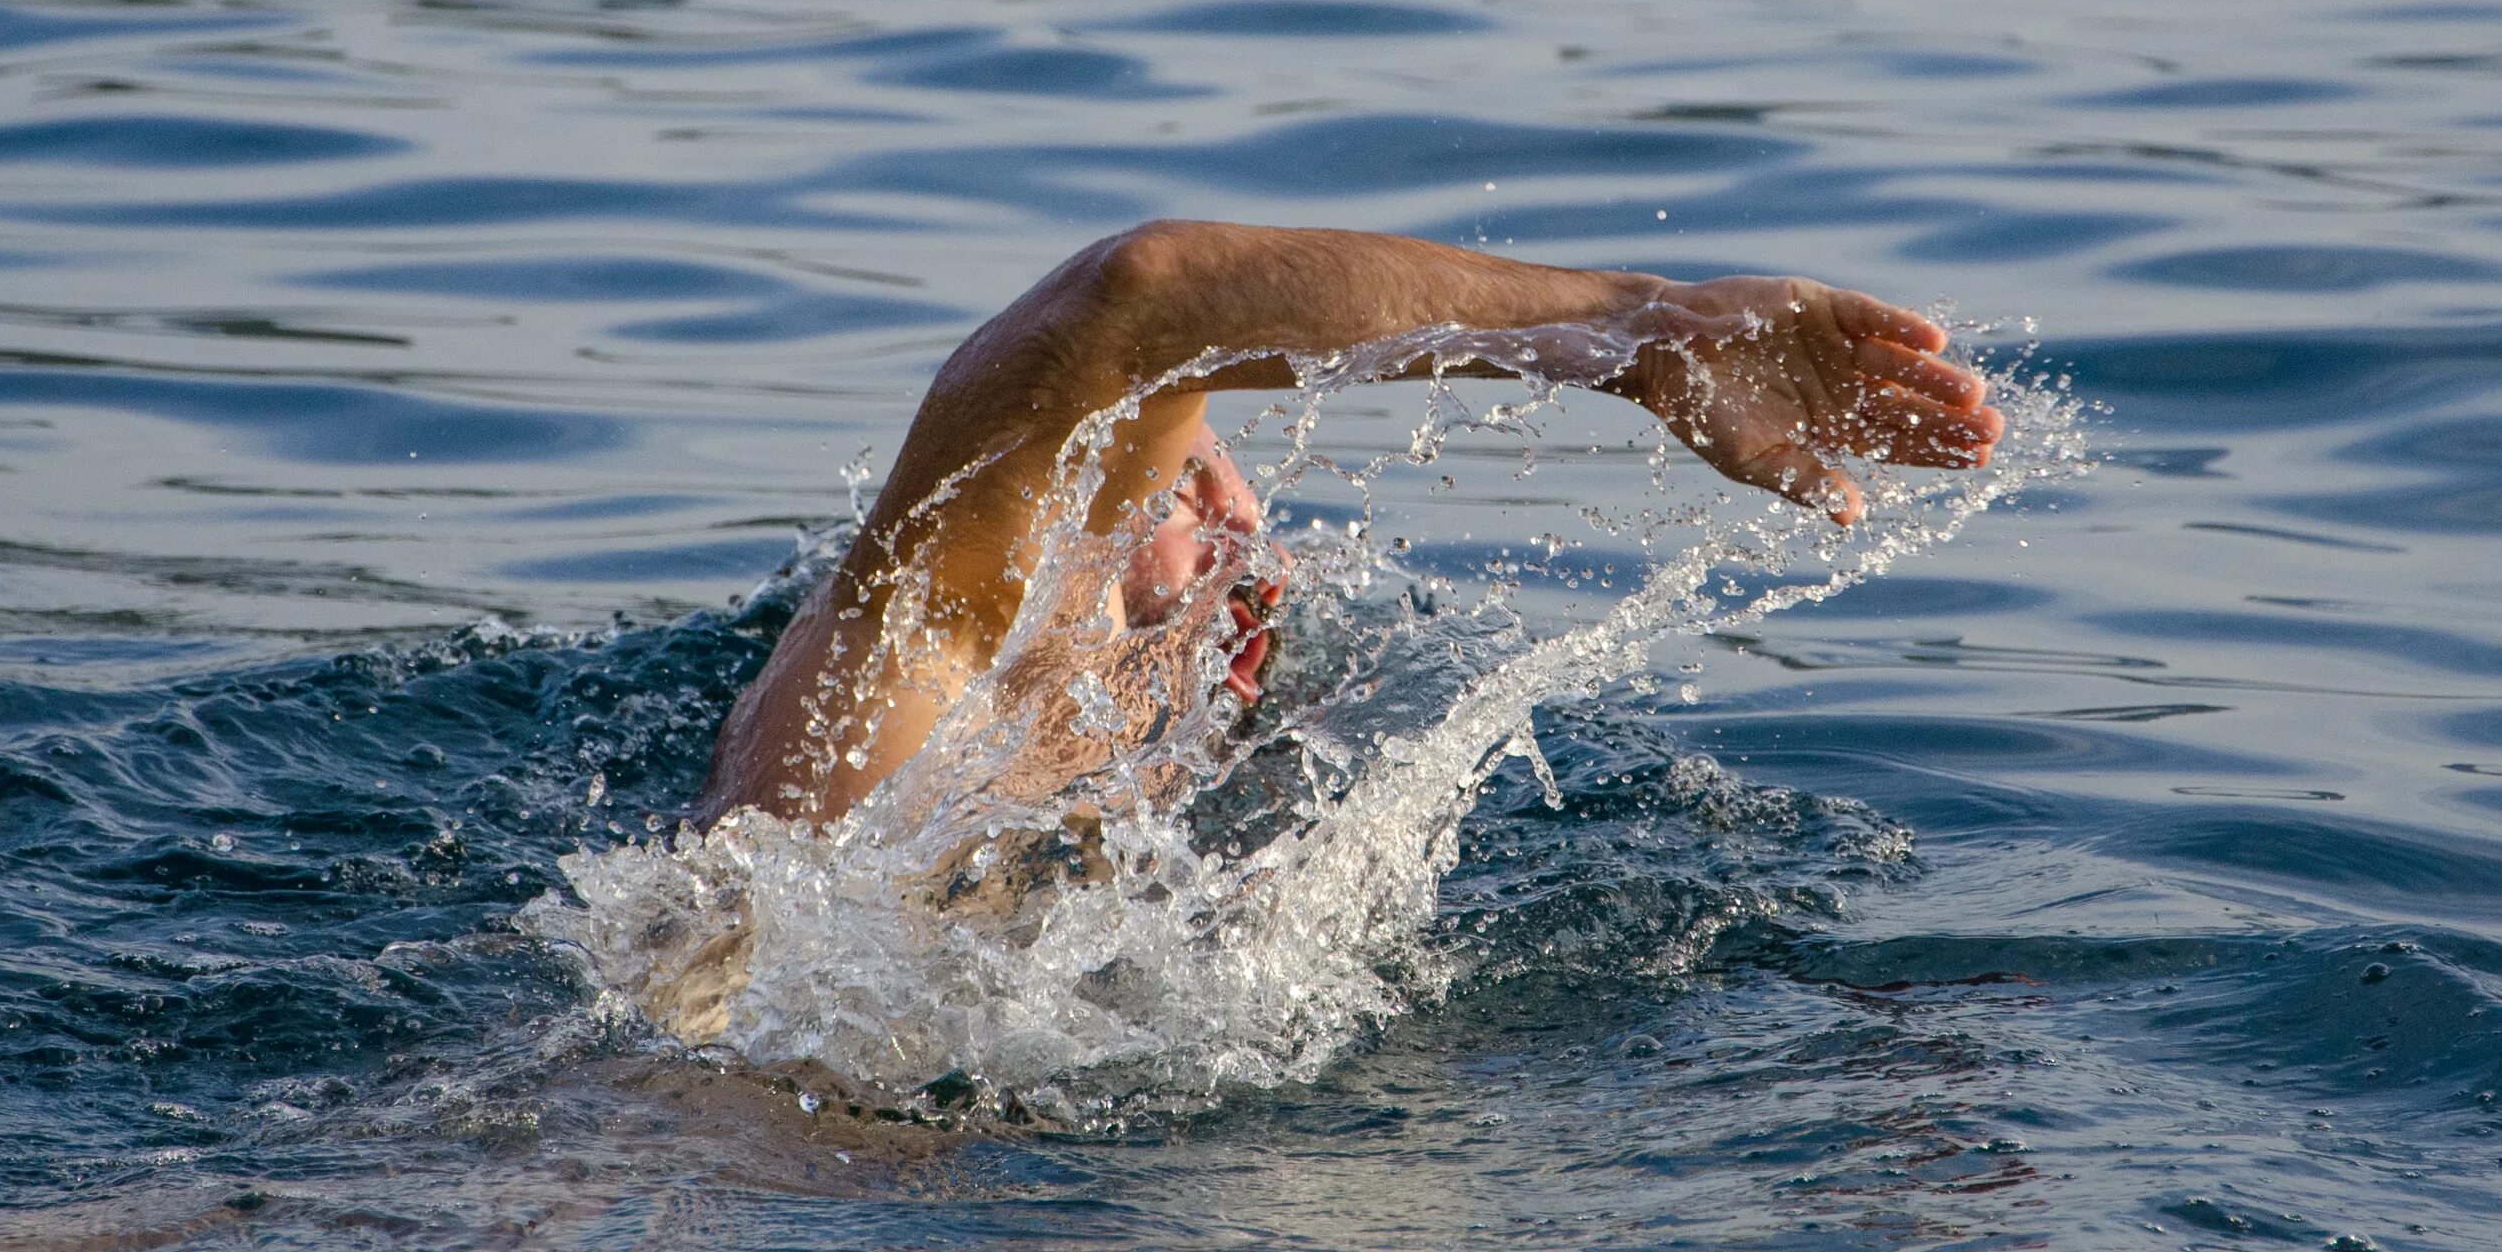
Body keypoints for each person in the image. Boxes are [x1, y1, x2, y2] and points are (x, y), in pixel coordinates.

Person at [697, 219, 2002, 825]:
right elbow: (1140, 304)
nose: (1223, 508)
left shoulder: (1086, 830)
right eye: (1168, 463)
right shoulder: (910, 671)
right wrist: (1633, 331)